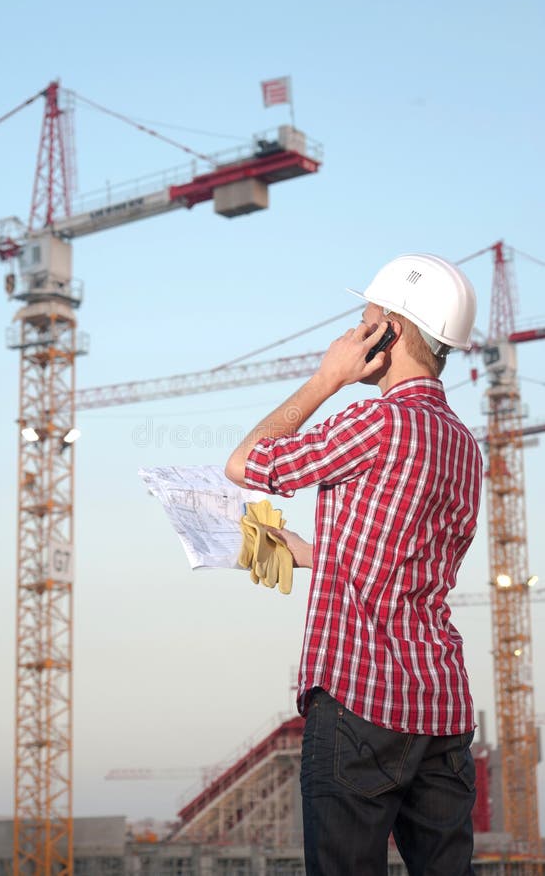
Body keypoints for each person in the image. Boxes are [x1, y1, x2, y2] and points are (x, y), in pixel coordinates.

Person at [225, 253, 482, 876]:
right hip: (441, 704)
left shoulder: (378, 420)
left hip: (360, 700)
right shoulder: (464, 444)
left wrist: (326, 380)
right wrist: (313, 556)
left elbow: (248, 462)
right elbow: (406, 562)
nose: (352, 333)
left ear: (391, 329)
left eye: (364, 320)